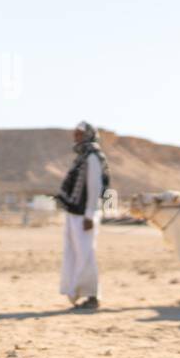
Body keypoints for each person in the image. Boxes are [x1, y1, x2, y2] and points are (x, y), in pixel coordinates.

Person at [54, 121, 110, 310]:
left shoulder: (92, 157)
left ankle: (92, 295)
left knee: (86, 255)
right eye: (75, 134)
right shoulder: (82, 156)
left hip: (84, 215)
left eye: (79, 134)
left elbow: (95, 187)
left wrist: (89, 215)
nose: (75, 137)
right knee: (75, 253)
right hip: (74, 213)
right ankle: (77, 293)